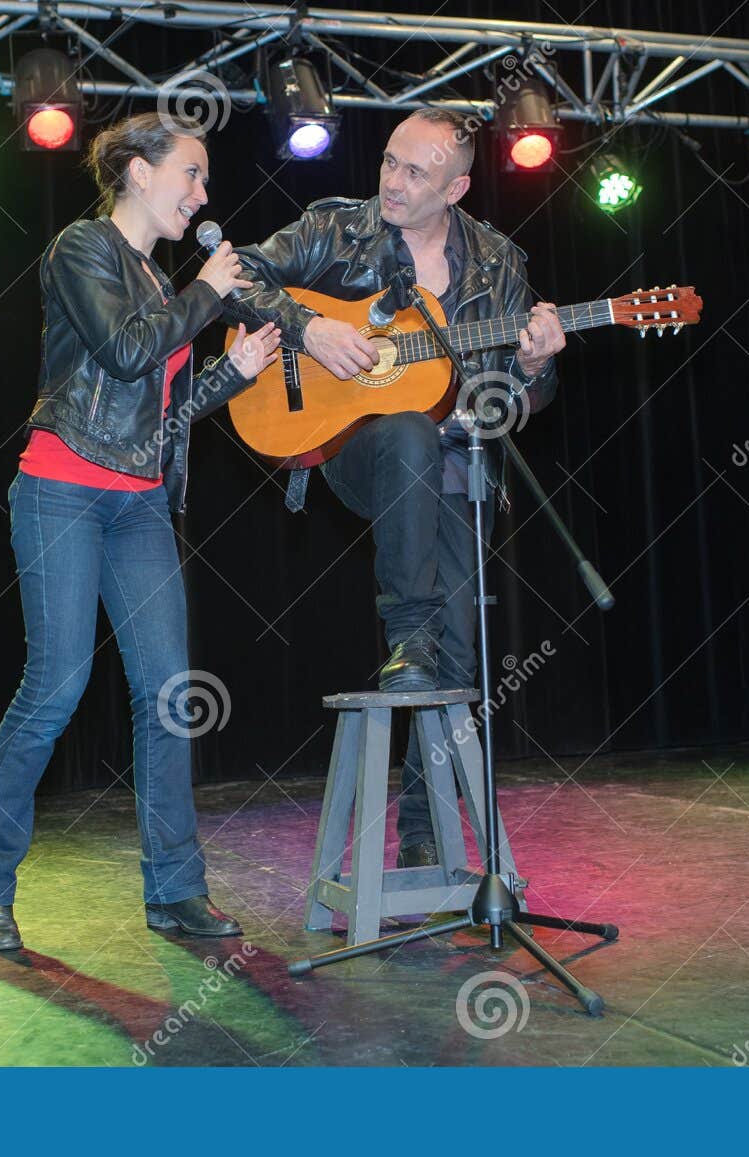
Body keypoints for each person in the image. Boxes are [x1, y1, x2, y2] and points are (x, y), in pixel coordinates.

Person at [0, 112, 281, 950]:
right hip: (61, 487)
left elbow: (163, 417)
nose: (203, 195)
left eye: (206, 181)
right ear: (139, 172)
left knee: (168, 695)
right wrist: (208, 293)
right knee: (56, 686)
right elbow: (126, 350)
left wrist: (231, 374)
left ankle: (174, 890)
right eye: (192, 175)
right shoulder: (82, 249)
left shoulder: (160, 281)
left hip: (138, 502)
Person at [227, 108, 565, 868]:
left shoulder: (496, 261)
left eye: (415, 172)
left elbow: (512, 400)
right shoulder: (337, 226)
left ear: (458, 186)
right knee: (408, 427)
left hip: (456, 466)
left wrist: (537, 368)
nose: (392, 181)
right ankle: (405, 631)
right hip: (356, 447)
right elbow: (238, 273)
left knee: (459, 662)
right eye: (388, 161)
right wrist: (309, 329)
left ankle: (421, 830)